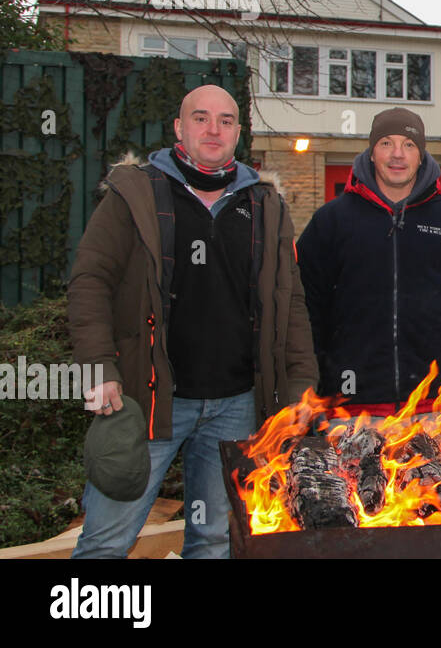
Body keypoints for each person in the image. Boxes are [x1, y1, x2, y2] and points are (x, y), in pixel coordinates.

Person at [68, 84, 318, 558]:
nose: (213, 129)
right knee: (106, 541)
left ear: (238, 133)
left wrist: (301, 383)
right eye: (200, 118)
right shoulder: (135, 194)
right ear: (180, 128)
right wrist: (98, 369)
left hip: (237, 405)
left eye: (225, 120)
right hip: (150, 401)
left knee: (215, 540)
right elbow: (89, 282)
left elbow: (292, 303)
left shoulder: (264, 205)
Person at [296, 108, 441, 416]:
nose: (398, 154)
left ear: (421, 155)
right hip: (350, 408)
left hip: (436, 408)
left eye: (408, 145)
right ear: (371, 153)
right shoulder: (332, 221)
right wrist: (308, 388)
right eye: (386, 143)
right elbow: (305, 311)